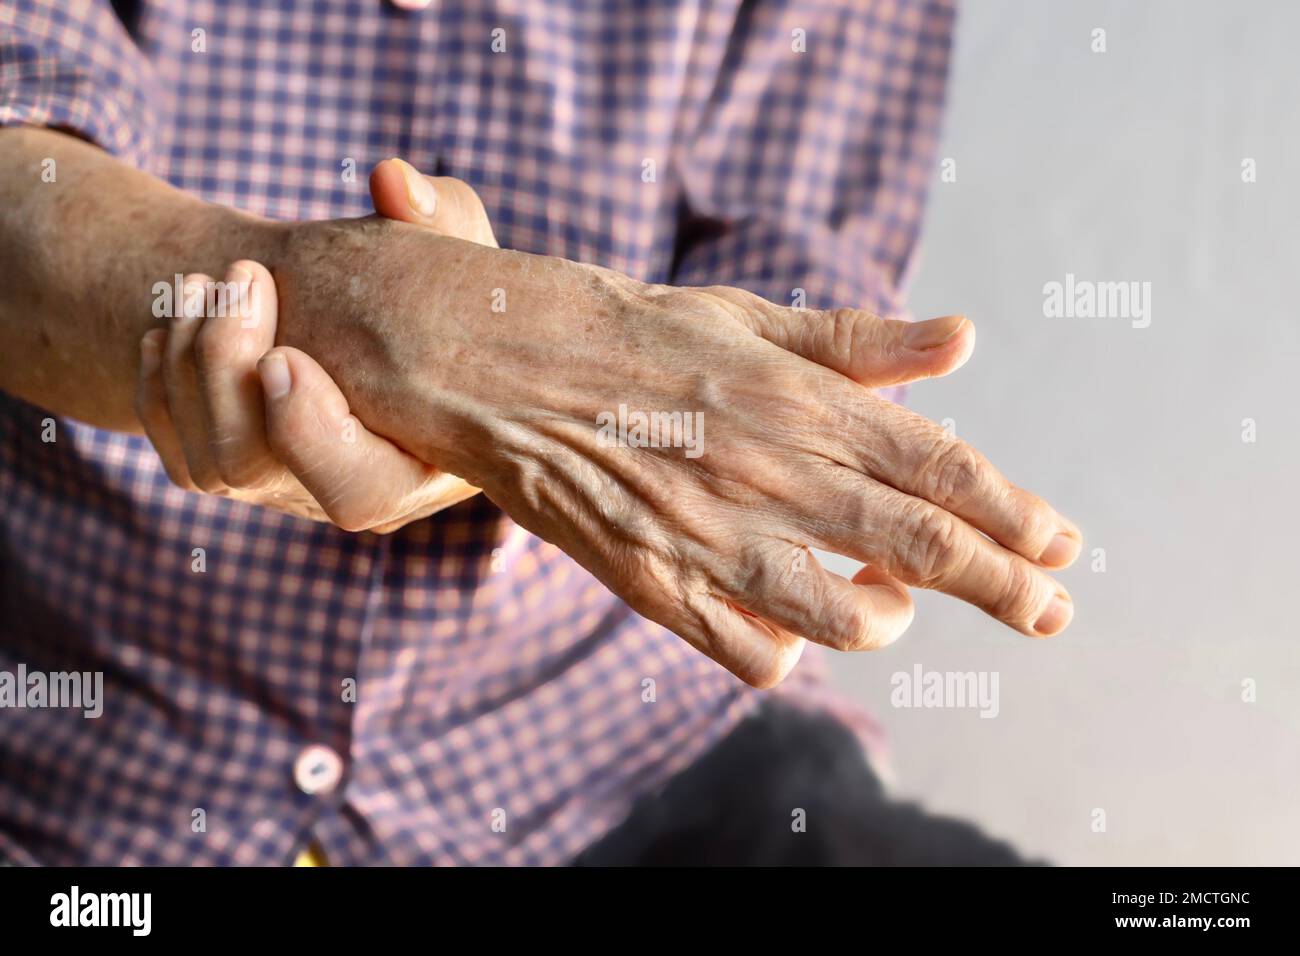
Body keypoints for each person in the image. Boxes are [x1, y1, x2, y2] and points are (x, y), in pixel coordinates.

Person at [0, 0, 1077, 865]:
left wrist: (480, 359)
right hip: (85, 753)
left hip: (612, 742)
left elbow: (783, 358)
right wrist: (401, 328)